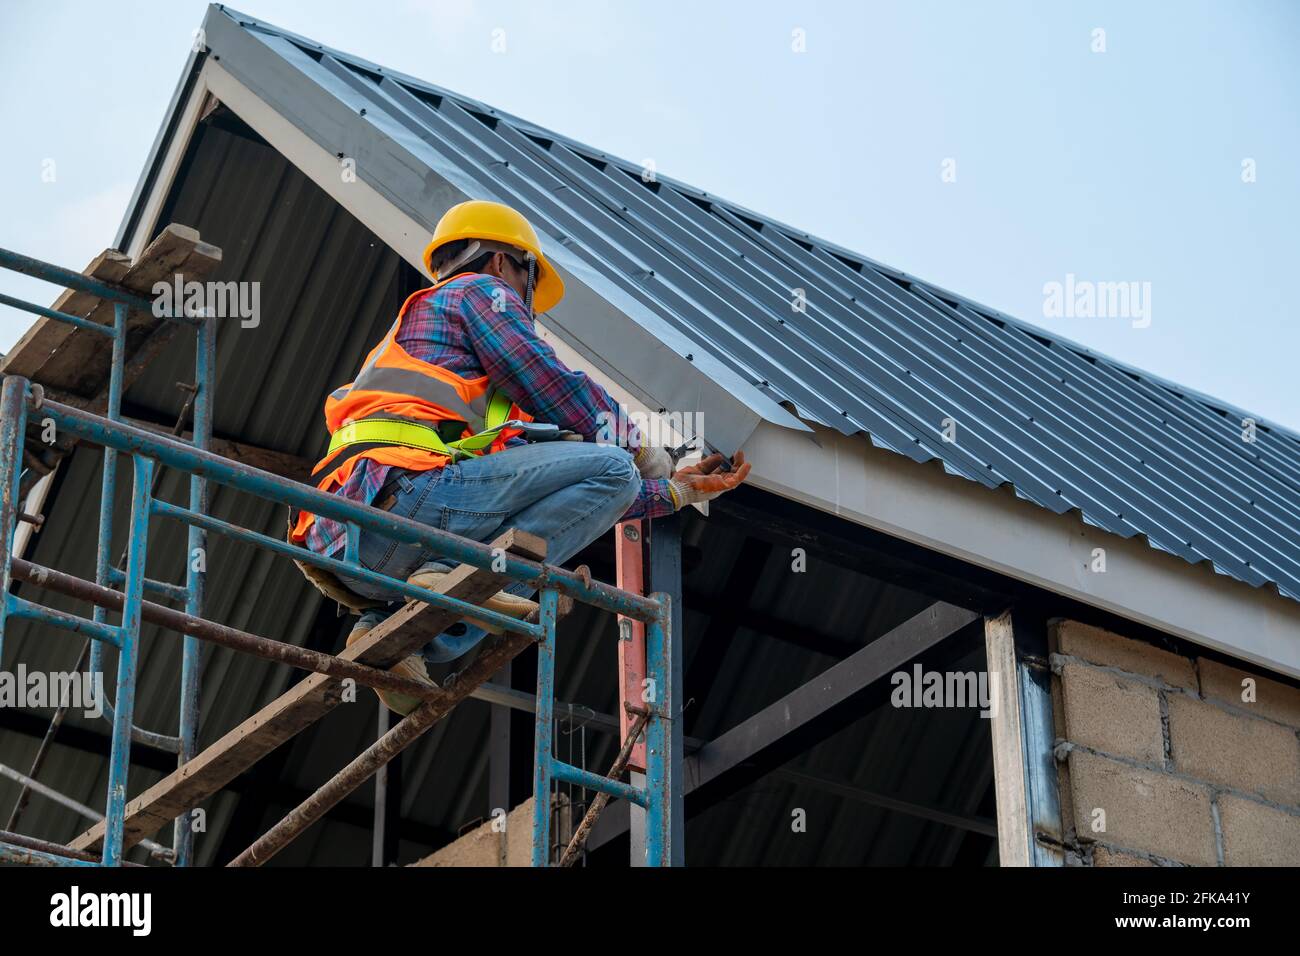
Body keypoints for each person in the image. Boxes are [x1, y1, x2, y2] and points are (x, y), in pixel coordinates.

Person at [290, 200, 749, 713]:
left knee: (596, 485)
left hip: (351, 547)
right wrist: (639, 448)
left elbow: (574, 496)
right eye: (528, 282)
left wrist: (674, 493)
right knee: (611, 471)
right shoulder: (478, 291)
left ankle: (395, 638)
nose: (527, 305)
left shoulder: (445, 372)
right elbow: (547, 379)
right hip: (403, 500)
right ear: (502, 262)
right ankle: (448, 580)